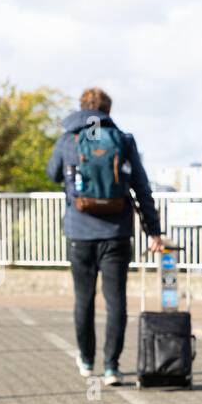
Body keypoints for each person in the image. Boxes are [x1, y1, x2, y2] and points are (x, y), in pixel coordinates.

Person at [47, 88, 165, 386]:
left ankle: (87, 362)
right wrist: (154, 231)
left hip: (79, 231)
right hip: (116, 233)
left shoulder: (69, 139)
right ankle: (112, 366)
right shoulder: (123, 141)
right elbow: (141, 187)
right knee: (116, 302)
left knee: (83, 300)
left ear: (82, 108)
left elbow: (52, 174)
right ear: (107, 111)